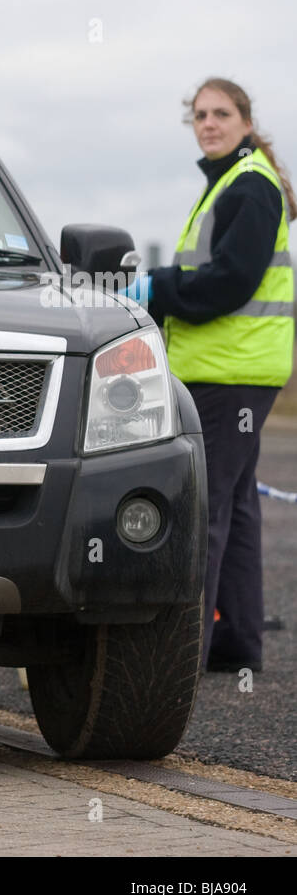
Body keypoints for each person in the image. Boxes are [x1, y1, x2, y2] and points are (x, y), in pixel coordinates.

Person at [133, 78, 295, 673]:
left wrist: (160, 287)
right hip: (235, 369)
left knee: (203, 513)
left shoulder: (249, 186)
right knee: (238, 505)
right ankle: (236, 646)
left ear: (246, 122)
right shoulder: (231, 183)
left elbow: (231, 281)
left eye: (221, 113)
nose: (208, 123)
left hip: (231, 374)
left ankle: (179, 657)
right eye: (199, 115)